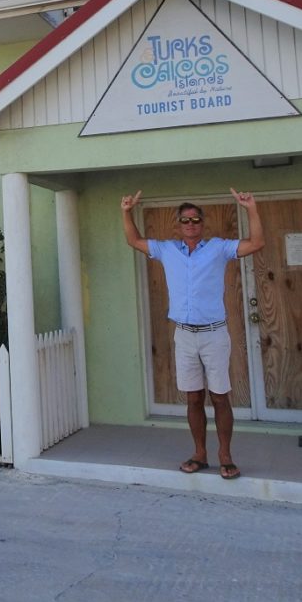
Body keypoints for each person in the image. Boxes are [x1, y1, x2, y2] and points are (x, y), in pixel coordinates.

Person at [120, 188, 264, 480]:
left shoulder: (219, 248)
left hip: (214, 334)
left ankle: (225, 456)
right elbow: (134, 240)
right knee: (193, 398)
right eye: (185, 220)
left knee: (220, 397)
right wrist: (126, 212)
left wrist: (251, 208)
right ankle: (200, 453)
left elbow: (257, 243)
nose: (191, 224)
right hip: (184, 335)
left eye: (196, 220)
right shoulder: (167, 250)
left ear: (203, 223)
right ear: (178, 225)